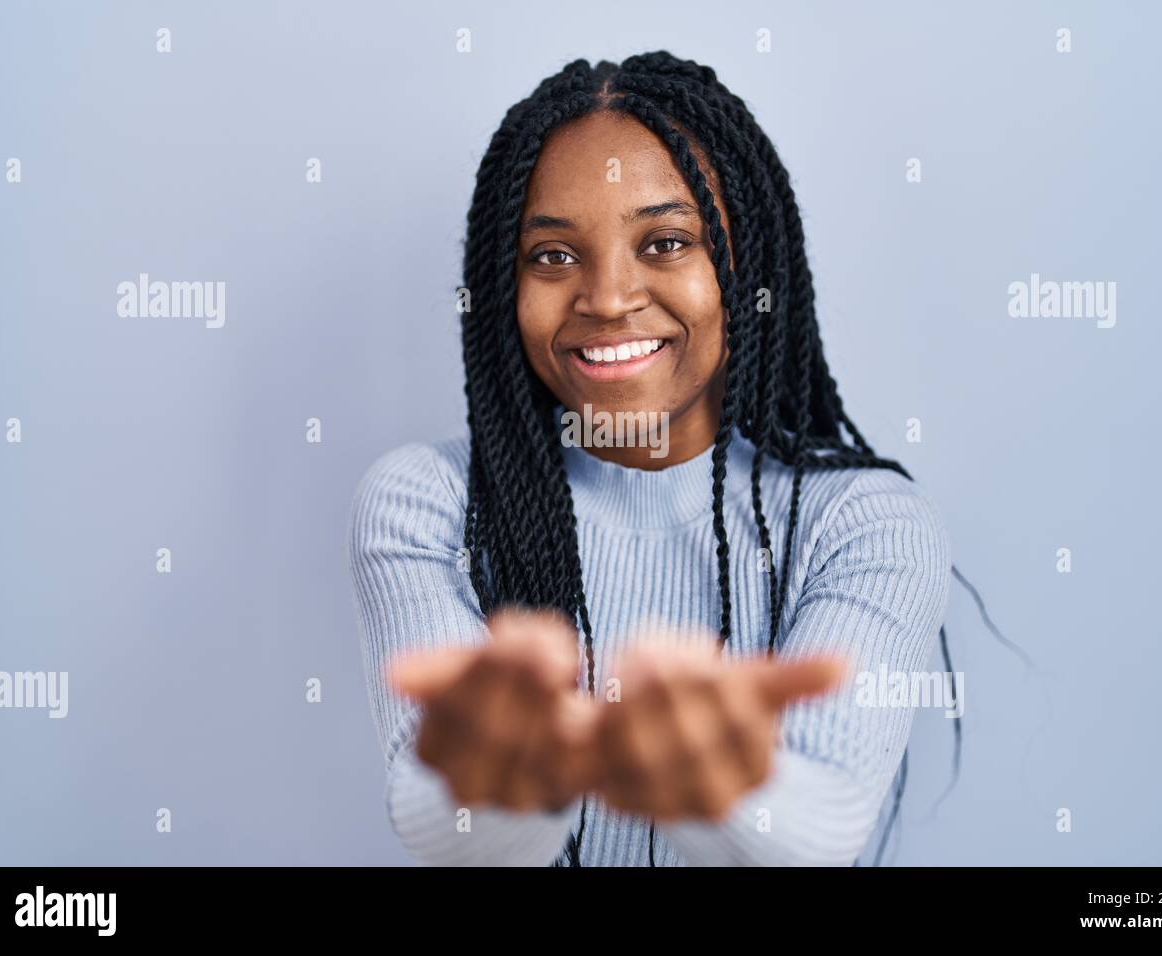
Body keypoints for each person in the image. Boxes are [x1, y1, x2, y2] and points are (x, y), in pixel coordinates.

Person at [349, 52, 953, 866]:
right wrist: (517, 771)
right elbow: (440, 826)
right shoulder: (426, 504)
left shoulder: (865, 524)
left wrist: (701, 774)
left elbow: (822, 829)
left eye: (666, 242)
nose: (605, 298)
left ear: (745, 267)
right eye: (553, 257)